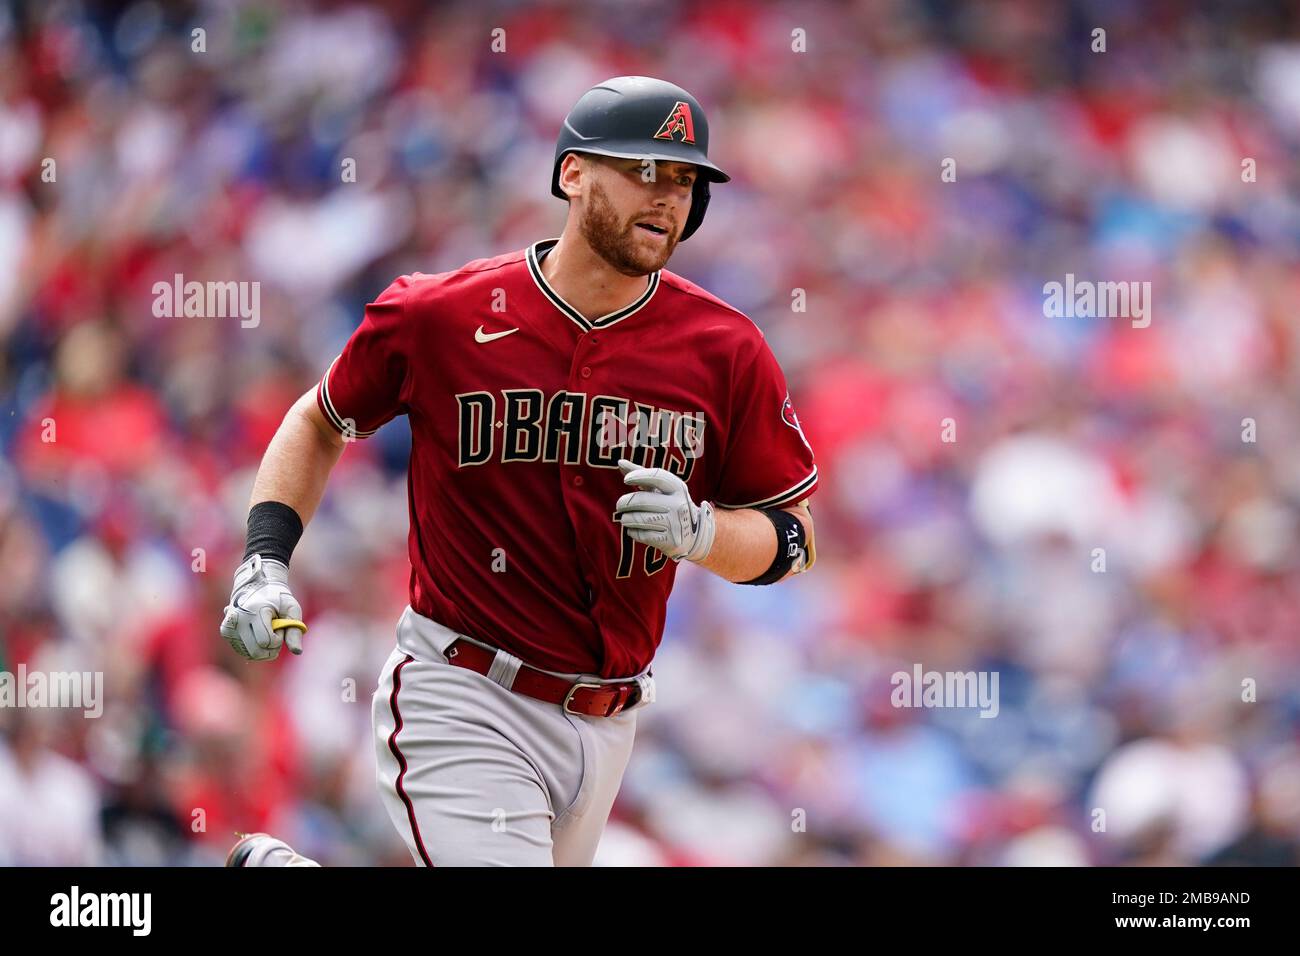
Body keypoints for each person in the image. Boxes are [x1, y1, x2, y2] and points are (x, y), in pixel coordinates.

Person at [219, 76, 820, 867]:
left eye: (684, 180)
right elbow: (319, 419)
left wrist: (702, 533)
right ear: (572, 173)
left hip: (610, 720)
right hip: (465, 690)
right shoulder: (440, 316)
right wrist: (263, 559)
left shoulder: (726, 351)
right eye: (643, 170)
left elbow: (794, 540)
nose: (667, 197)